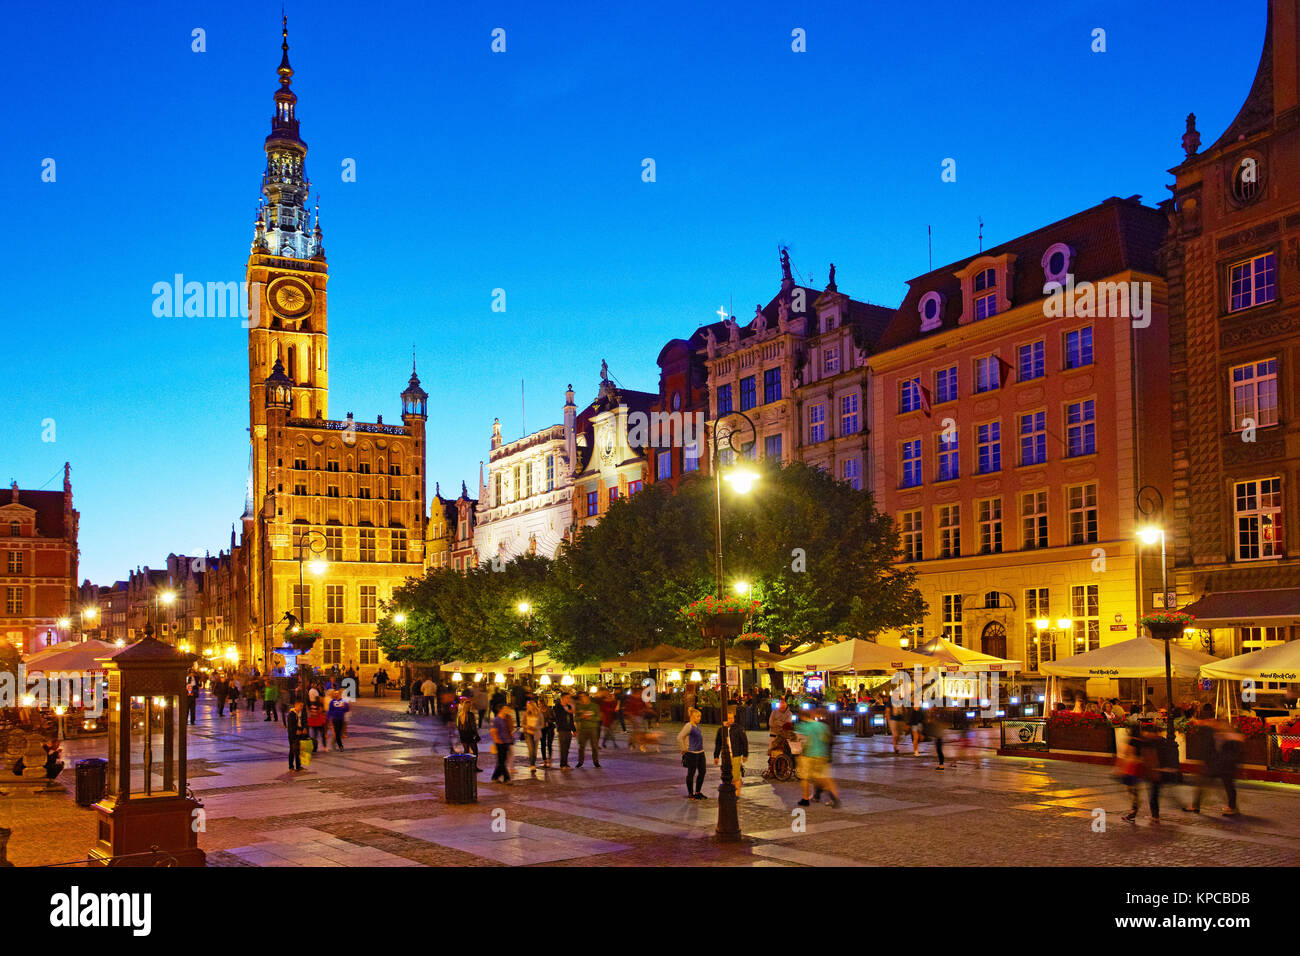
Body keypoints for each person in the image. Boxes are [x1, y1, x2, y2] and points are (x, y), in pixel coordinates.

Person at [1183, 705, 1243, 816]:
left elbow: (1235, 749)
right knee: (1218, 785)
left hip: (1224, 764)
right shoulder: (1216, 731)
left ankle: (1232, 807)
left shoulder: (1229, 733)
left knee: (1227, 786)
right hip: (1216, 764)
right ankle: (1231, 807)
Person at [793, 708, 841, 808]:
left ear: (801, 717)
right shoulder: (822, 726)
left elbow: (801, 742)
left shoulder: (802, 727)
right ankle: (834, 797)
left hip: (808, 755)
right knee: (823, 777)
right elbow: (827, 739)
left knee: (805, 778)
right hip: (822, 755)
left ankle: (805, 799)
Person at [713, 708, 748, 791]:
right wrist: (716, 756)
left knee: (736, 776)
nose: (731, 720)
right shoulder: (721, 730)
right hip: (726, 756)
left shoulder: (738, 729)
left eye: (732, 718)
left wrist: (745, 754)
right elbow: (718, 744)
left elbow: (744, 742)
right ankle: (732, 791)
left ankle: (736, 793)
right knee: (728, 776)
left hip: (736, 755)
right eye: (729, 718)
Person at [677, 708, 707, 799]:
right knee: (691, 773)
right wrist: (683, 750)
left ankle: (698, 792)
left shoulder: (696, 726)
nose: (700, 718)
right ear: (693, 717)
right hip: (692, 753)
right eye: (698, 716)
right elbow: (679, 737)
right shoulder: (689, 726)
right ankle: (691, 793)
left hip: (700, 752)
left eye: (700, 716)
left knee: (702, 771)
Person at [574, 691, 603, 768]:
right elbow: (576, 718)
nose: (582, 698)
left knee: (594, 746)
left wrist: (590, 718)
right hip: (583, 729)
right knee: (581, 746)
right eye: (580, 697)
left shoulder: (594, 706)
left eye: (583, 696)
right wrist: (581, 717)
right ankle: (580, 762)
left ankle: (596, 762)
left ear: (587, 697)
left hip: (593, 728)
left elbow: (598, 718)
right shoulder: (578, 706)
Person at [489, 705, 515, 784]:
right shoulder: (497, 719)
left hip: (507, 741)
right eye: (505, 709)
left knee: (501, 761)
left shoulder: (506, 718)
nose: (507, 710)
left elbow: (510, 729)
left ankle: (495, 777)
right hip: (500, 742)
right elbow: (493, 731)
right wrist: (496, 740)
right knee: (502, 762)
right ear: (501, 710)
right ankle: (507, 779)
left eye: (508, 708)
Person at [554, 693, 576, 769]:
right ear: (562, 698)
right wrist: (568, 711)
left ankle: (565, 763)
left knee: (567, 748)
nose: (568, 699)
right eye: (567, 698)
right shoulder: (558, 706)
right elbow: (559, 716)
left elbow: (571, 719)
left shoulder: (569, 707)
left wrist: (574, 730)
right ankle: (562, 764)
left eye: (569, 698)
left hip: (569, 730)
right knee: (563, 748)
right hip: (562, 729)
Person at [286, 700, 309, 772]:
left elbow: (301, 723)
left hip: (298, 735)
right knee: (292, 751)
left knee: (298, 751)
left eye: (302, 706)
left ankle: (298, 766)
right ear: (296, 705)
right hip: (292, 736)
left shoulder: (299, 714)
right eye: (300, 706)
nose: (301, 708)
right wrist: (295, 731)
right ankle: (291, 767)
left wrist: (303, 728)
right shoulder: (291, 714)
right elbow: (290, 726)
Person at [523, 696, 543, 775]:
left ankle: (533, 762)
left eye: (529, 706)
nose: (528, 708)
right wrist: (526, 726)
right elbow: (523, 723)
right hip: (528, 733)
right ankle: (532, 765)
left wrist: (536, 728)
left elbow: (542, 724)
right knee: (531, 750)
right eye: (528, 706)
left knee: (534, 751)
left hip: (536, 733)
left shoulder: (539, 714)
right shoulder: (526, 713)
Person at [456, 697, 480, 762]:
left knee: (466, 751)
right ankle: (474, 766)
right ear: (469, 707)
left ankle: (466, 766)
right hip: (470, 735)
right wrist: (476, 734)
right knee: (475, 751)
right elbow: (473, 726)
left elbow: (458, 726)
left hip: (463, 735)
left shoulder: (460, 715)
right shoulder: (470, 715)